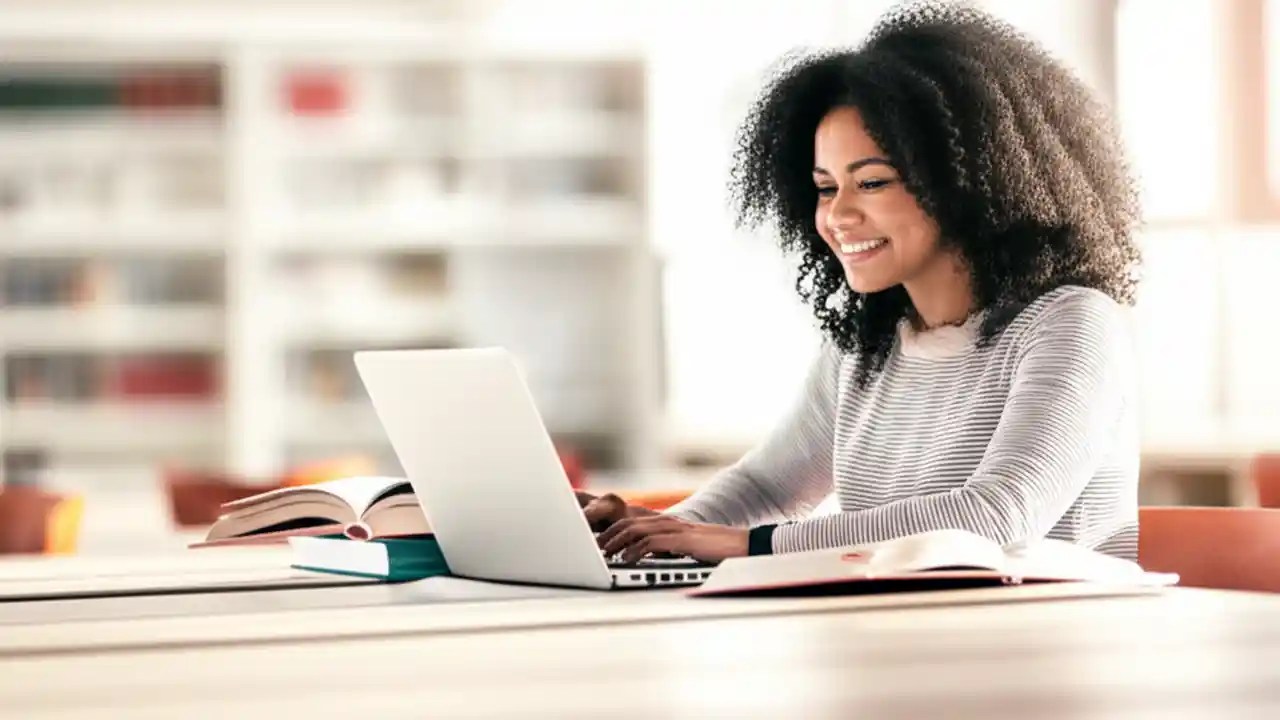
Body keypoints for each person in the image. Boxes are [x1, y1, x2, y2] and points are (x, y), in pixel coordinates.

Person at [581, 1, 1143, 564]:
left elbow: (998, 514)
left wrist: (752, 546)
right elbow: (767, 489)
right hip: (897, 633)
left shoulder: (1071, 324)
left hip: (1039, 638)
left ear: (971, 182)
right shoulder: (866, 345)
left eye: (872, 182)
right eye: (826, 189)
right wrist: (640, 535)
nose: (838, 216)